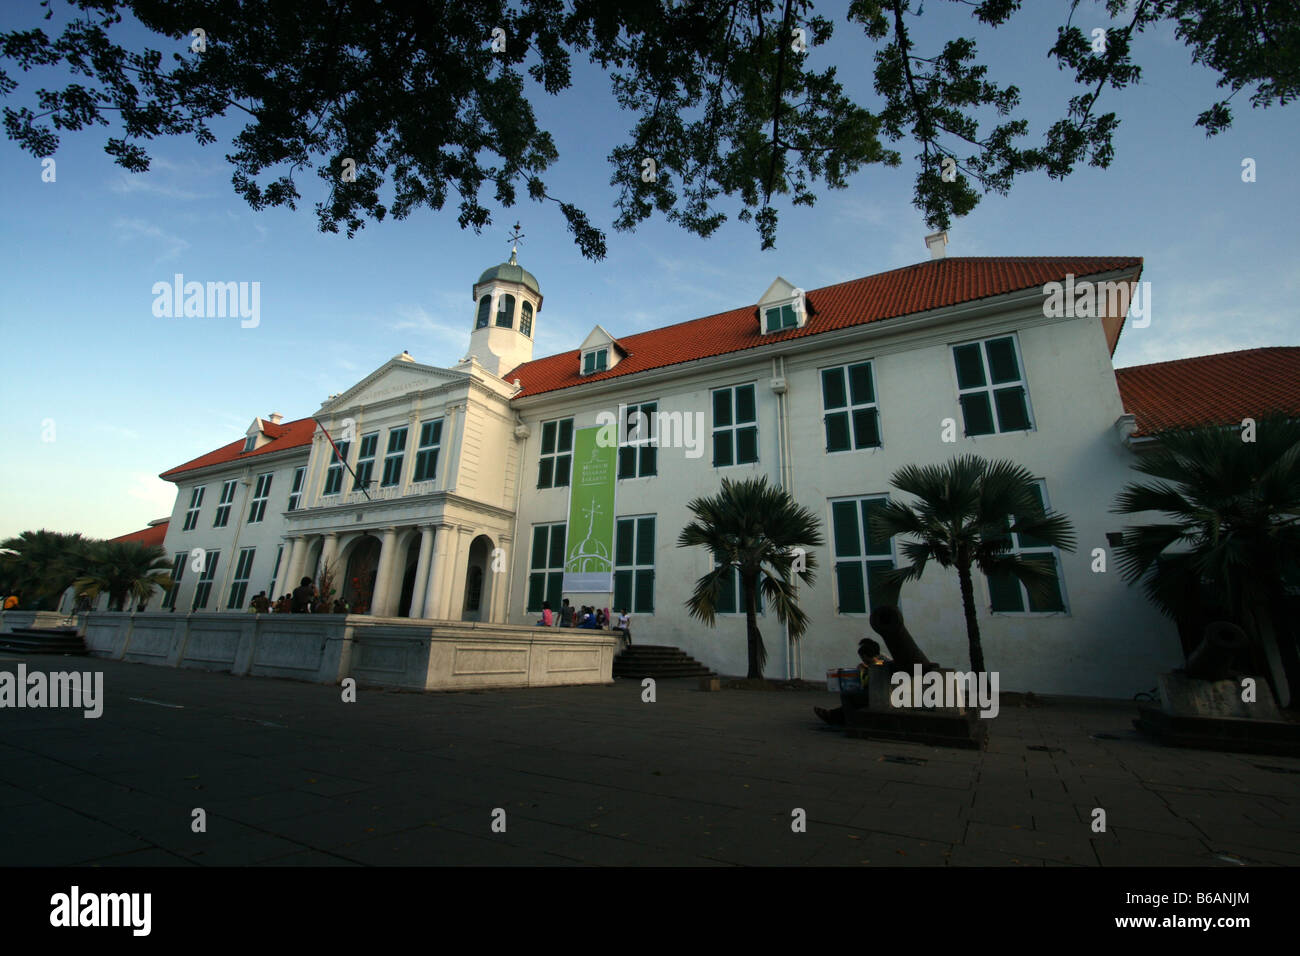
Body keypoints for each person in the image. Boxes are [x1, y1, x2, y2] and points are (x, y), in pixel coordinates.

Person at [815, 638, 890, 726]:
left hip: (876, 695)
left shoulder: (875, 667)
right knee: (852, 698)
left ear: (865, 655)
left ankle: (849, 721)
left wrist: (863, 671)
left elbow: (867, 682)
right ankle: (833, 715)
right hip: (879, 693)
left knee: (846, 695)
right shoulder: (881, 662)